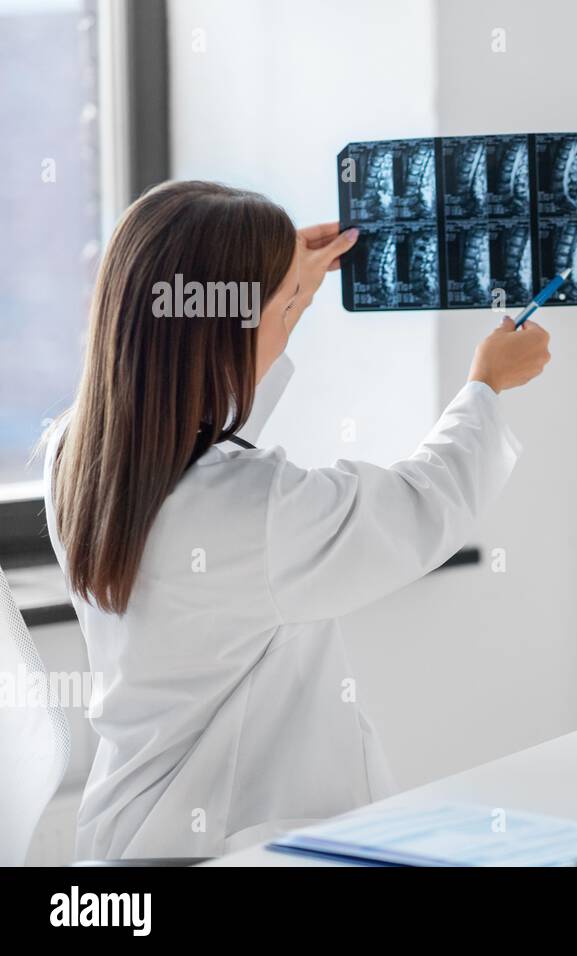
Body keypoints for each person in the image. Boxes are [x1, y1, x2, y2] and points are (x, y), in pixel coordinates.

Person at [42, 180, 550, 857]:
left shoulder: (74, 453)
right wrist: (486, 386)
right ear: (226, 332)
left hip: (128, 834)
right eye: (283, 315)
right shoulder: (259, 511)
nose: (286, 335)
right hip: (237, 844)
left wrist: (288, 294)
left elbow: (198, 438)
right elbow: (424, 506)